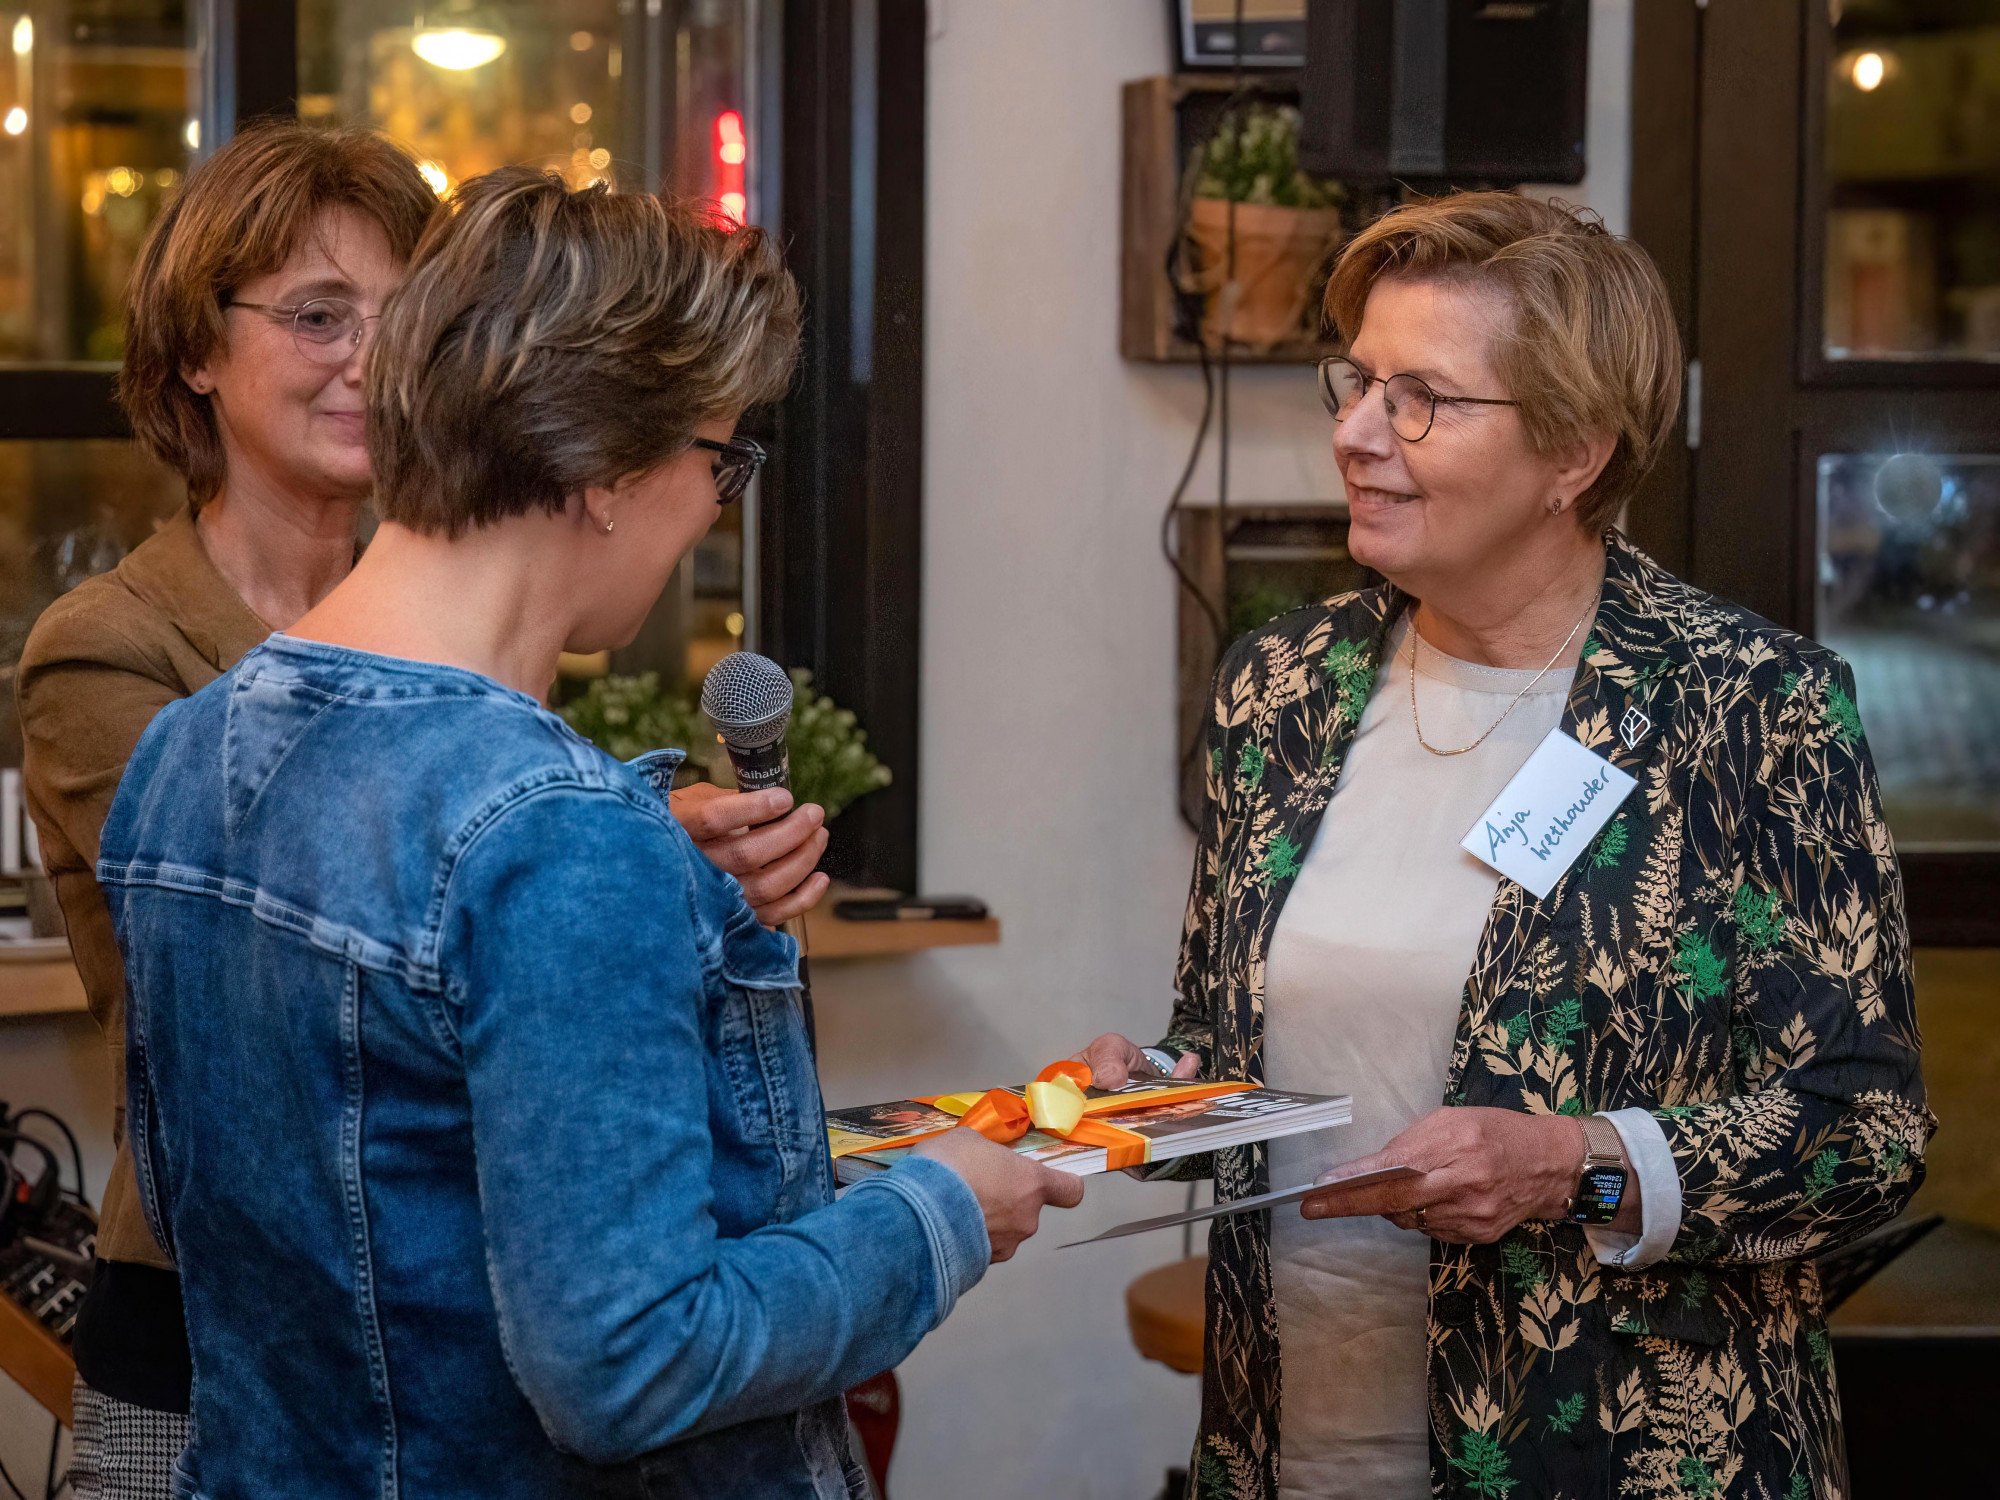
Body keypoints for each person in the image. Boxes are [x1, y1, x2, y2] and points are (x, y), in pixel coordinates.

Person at [95, 166, 1079, 1498]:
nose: (712, 508)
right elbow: (635, 1364)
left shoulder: (189, 745)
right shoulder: (552, 835)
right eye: (720, 458)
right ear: (611, 464)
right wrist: (944, 1211)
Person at [17, 122, 833, 1498]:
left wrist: (634, 838)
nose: (366, 359)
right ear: (197, 353)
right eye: (317, 315)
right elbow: (357, 902)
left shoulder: (463, 649)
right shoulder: (126, 656)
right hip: (230, 1323)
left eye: (402, 320)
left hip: (425, 1324)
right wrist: (591, 852)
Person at [1079, 193, 1931, 1500]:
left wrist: (1576, 1165)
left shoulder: (1747, 708)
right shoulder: (1282, 687)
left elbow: (1864, 1138)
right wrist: (1153, 1085)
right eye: (1356, 382)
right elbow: (1240, 1036)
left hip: (1628, 1458)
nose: (1356, 434)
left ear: (1575, 450)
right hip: (1294, 1442)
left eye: (1419, 397)